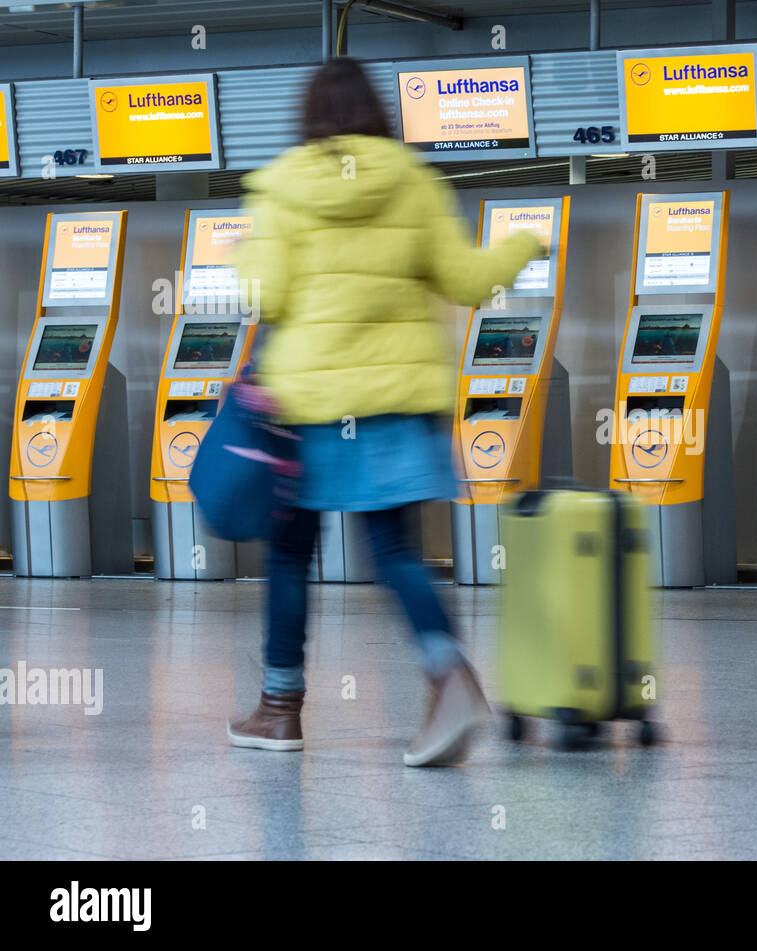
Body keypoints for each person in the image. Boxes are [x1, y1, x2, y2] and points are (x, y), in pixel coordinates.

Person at [225, 58, 542, 766]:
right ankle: (449, 671)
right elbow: (468, 280)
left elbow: (268, 296)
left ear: (308, 117)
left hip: (308, 409)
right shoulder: (414, 183)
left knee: (287, 555)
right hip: (398, 405)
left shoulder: (281, 191)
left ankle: (280, 710)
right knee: (395, 552)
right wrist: (526, 241)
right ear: (379, 113)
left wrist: (245, 254)